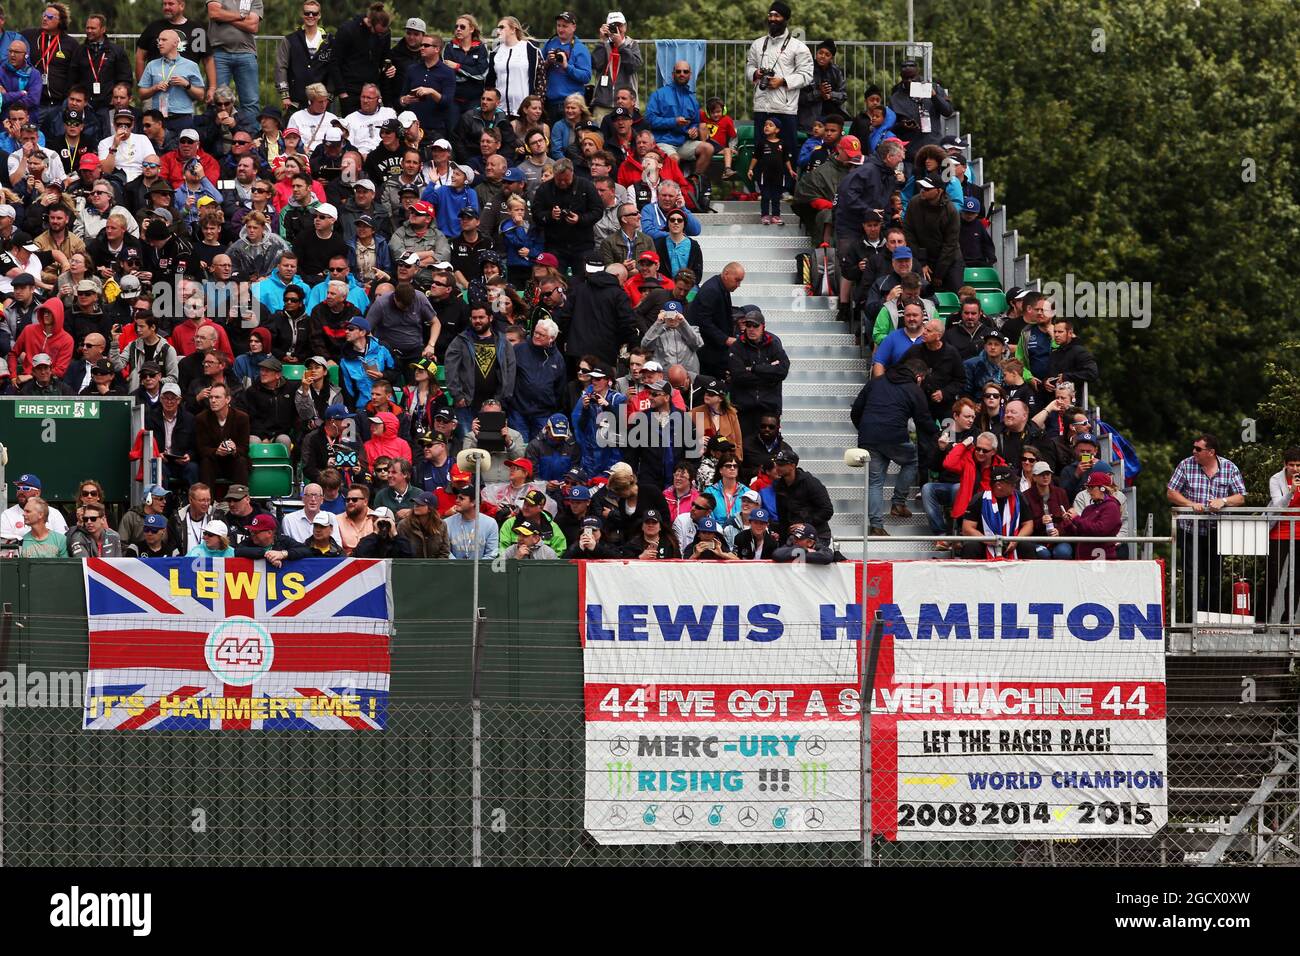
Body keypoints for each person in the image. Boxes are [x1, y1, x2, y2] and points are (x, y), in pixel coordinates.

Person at [1167, 433, 1246, 618]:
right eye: (1194, 448)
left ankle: (1209, 617)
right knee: (1190, 574)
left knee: (1215, 575)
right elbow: (1171, 493)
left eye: (1198, 449)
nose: (1193, 452)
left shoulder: (1229, 467)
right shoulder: (1186, 464)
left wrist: (1224, 501)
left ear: (1211, 452)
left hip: (1216, 530)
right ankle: (1191, 618)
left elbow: (1241, 497)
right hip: (1190, 529)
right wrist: (1190, 504)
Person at [745, 3, 812, 166]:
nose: (773, 19)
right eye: (770, 15)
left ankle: (788, 189)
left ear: (786, 19)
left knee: (787, 151)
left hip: (785, 108)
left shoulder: (799, 47)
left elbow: (807, 75)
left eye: (777, 16)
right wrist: (756, 73)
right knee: (760, 151)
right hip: (762, 105)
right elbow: (749, 66)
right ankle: (761, 189)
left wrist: (782, 81)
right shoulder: (758, 44)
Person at [728, 308, 790, 439]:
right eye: (748, 325)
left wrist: (754, 368)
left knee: (769, 447)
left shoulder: (774, 343)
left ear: (763, 326)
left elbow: (782, 371)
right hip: (744, 408)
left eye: (755, 325)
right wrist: (770, 375)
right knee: (745, 447)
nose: (751, 329)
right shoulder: (737, 346)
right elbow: (739, 376)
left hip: (769, 407)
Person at [958, 465, 1032, 560]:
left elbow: (1028, 524)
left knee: (1027, 546)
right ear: (998, 485)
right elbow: (967, 528)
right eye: (1011, 483)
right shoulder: (979, 499)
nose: (1015, 485)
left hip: (1012, 540)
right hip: (985, 542)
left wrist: (1016, 540)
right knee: (971, 547)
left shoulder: (1019, 497)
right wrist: (988, 541)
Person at [276, 2, 336, 117]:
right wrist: (285, 95)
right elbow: (281, 67)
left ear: (319, 15)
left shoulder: (330, 40)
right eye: (307, 13)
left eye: (314, 13)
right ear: (302, 15)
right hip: (295, 99)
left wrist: (329, 96)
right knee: (294, 133)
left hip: (321, 100)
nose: (310, 16)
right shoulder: (290, 39)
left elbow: (334, 69)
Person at [689, 261, 744, 378]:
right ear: (726, 274)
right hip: (708, 352)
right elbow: (703, 322)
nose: (738, 285)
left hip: (714, 350)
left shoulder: (721, 287)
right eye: (737, 280)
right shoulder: (712, 290)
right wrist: (725, 339)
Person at [770, 449, 833, 545]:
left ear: (792, 466)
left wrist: (805, 525)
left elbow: (827, 510)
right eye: (777, 464)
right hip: (794, 537)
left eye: (781, 464)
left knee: (808, 557)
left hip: (817, 535)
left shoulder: (810, 483)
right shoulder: (779, 485)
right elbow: (782, 517)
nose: (777, 467)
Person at [1058, 472, 1123, 561]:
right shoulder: (1088, 509)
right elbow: (1079, 534)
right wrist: (1068, 522)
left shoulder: (1111, 507)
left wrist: (1076, 518)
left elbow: (1100, 530)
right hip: (1084, 559)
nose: (1088, 491)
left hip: (1101, 559)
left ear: (1103, 488)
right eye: (1087, 487)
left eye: (1091, 487)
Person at [540, 12, 592, 124]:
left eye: (565, 26)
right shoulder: (550, 44)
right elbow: (539, 69)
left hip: (572, 104)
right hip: (551, 102)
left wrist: (567, 66)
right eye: (558, 25)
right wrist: (548, 62)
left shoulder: (580, 48)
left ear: (574, 27)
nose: (561, 29)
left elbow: (586, 76)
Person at [1020, 461, 1073, 559]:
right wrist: (1040, 521)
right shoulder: (1026, 496)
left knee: (1062, 552)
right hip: (1037, 539)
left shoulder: (1060, 493)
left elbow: (1067, 518)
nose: (1045, 477)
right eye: (1041, 474)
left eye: (1047, 474)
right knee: (1043, 554)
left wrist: (1059, 531)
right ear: (1034, 477)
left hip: (1059, 538)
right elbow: (1025, 522)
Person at [0, 474, 68, 544]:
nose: (20, 491)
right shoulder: (7, 514)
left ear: (37, 493)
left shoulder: (54, 513)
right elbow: (4, 543)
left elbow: (63, 540)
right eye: (18, 488)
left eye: (26, 488)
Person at [446, 485, 498, 559]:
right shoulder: (447, 523)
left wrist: (476, 568)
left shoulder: (490, 524)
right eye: (457, 497)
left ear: (473, 502)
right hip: (454, 568)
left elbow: (491, 554)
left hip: (481, 569)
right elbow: (446, 551)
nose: (457, 501)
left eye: (461, 498)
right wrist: (458, 566)